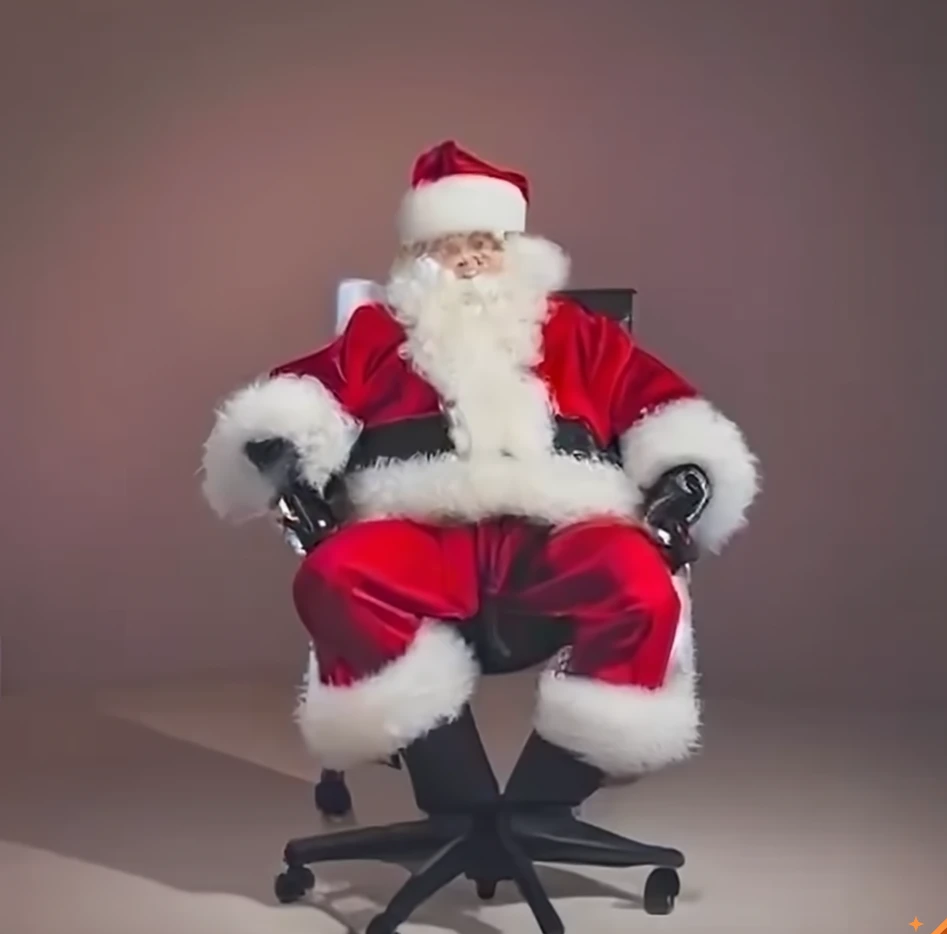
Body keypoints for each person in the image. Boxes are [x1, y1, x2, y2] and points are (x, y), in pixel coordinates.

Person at [200, 140, 759, 791]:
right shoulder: (378, 333)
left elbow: (665, 409)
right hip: (423, 536)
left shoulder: (582, 333)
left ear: (515, 248)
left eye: (485, 242)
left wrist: (683, 480)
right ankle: (452, 786)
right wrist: (284, 459)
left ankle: (546, 797)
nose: (468, 259)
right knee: (335, 577)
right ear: (419, 258)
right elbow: (297, 401)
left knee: (638, 582)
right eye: (447, 245)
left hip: (559, 532)